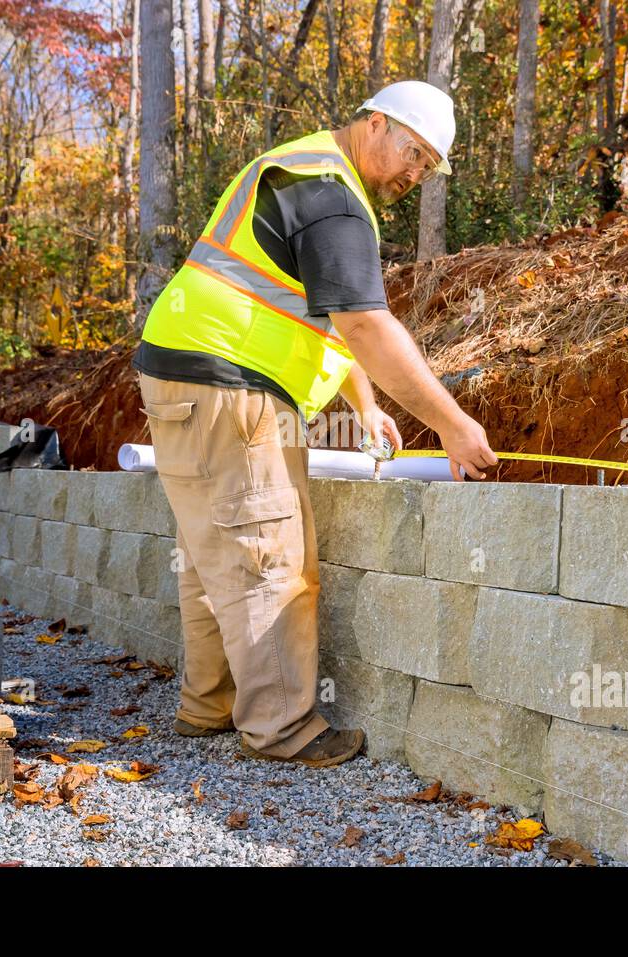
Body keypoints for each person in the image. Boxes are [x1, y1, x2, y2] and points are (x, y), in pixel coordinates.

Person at [132, 79, 497, 767]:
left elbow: (328, 319)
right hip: (230, 383)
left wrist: (364, 405)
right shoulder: (335, 200)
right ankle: (284, 729)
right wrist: (450, 423)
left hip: (183, 370)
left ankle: (206, 704)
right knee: (272, 550)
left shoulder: (305, 167)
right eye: (413, 153)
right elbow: (365, 323)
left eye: (427, 167)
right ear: (378, 124)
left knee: (217, 549)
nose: (415, 174)